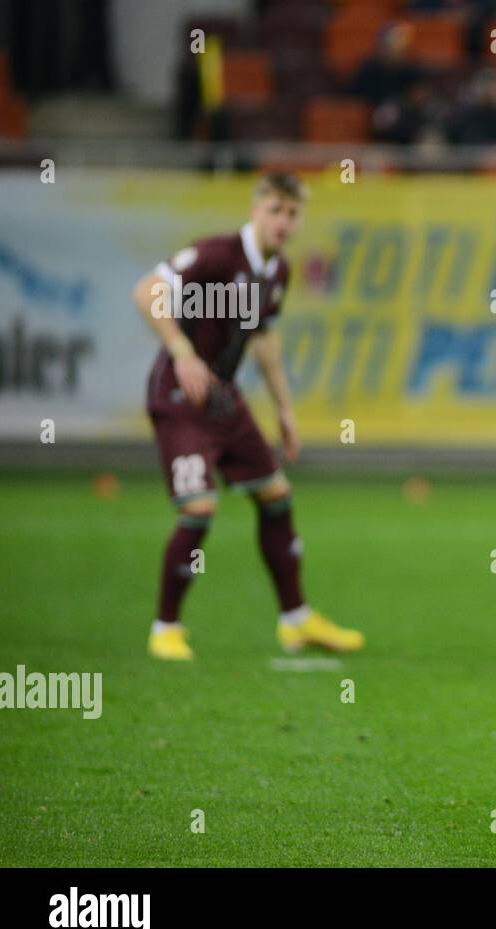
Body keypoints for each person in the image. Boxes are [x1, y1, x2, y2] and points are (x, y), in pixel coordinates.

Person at [133, 172, 364, 661]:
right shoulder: (217, 255)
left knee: (276, 495)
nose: (283, 221)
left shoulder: (277, 272)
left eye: (292, 213)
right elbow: (146, 290)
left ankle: (296, 620)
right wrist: (181, 350)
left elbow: (263, 338)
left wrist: (284, 409)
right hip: (180, 396)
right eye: (275, 210)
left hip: (223, 399)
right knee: (199, 508)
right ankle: (165, 628)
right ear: (255, 209)